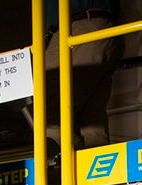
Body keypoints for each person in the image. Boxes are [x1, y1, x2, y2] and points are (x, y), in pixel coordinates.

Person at [43, 0, 123, 149]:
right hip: (104, 28)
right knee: (91, 120)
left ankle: (62, 168)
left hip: (76, 29)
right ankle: (97, 168)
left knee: (48, 116)